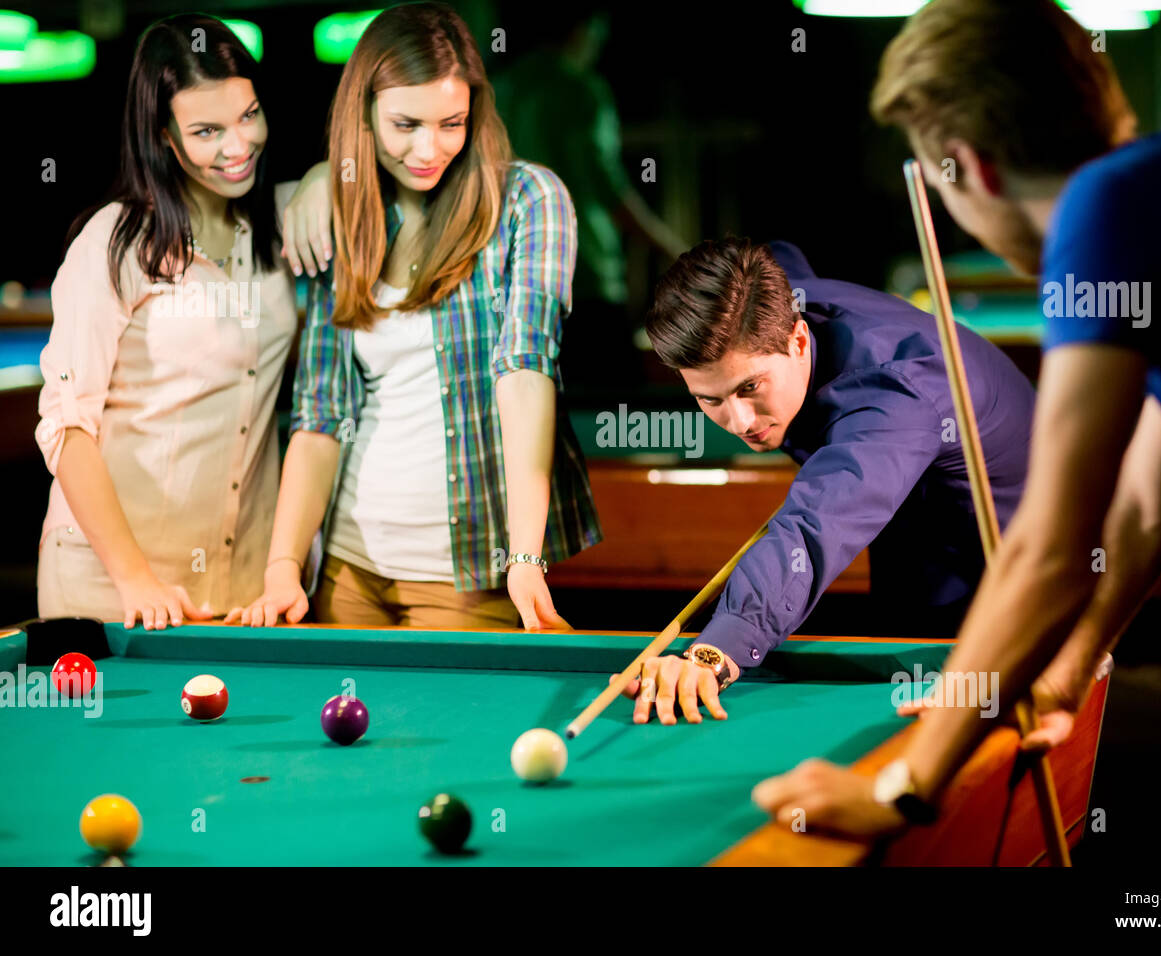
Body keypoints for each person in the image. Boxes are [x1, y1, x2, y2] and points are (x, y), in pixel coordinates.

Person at [752, 0, 1161, 839]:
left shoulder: (1105, 212)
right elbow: (1147, 502)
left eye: (936, 184)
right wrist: (1067, 668)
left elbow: (1050, 547)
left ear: (969, 166)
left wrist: (902, 785)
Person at [225, 2, 601, 631]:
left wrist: (527, 554)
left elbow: (526, 369)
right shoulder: (346, 219)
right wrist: (284, 566)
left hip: (471, 576)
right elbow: (321, 411)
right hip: (346, 571)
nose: (429, 149)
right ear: (365, 114)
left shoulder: (528, 201)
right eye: (405, 123)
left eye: (451, 123)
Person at [610, 237, 1036, 725]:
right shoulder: (769, 298)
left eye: (750, 387)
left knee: (963, 728)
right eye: (710, 400)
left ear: (797, 339)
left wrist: (713, 651)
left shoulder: (894, 393)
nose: (741, 421)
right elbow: (782, 253)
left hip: (1011, 562)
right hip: (915, 527)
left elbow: (812, 528)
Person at [35, 15, 298, 629]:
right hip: (112, 593)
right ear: (165, 139)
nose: (238, 147)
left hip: (245, 592)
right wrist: (136, 580)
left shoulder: (281, 227)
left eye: (249, 116)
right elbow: (68, 429)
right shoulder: (111, 246)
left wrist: (316, 182)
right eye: (207, 131)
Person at [493, 2, 688, 389]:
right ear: (580, 30)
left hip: (514, 279)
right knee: (613, 414)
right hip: (584, 277)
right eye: (597, 34)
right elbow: (607, 188)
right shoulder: (579, 90)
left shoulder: (500, 89)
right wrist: (674, 251)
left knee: (540, 400)